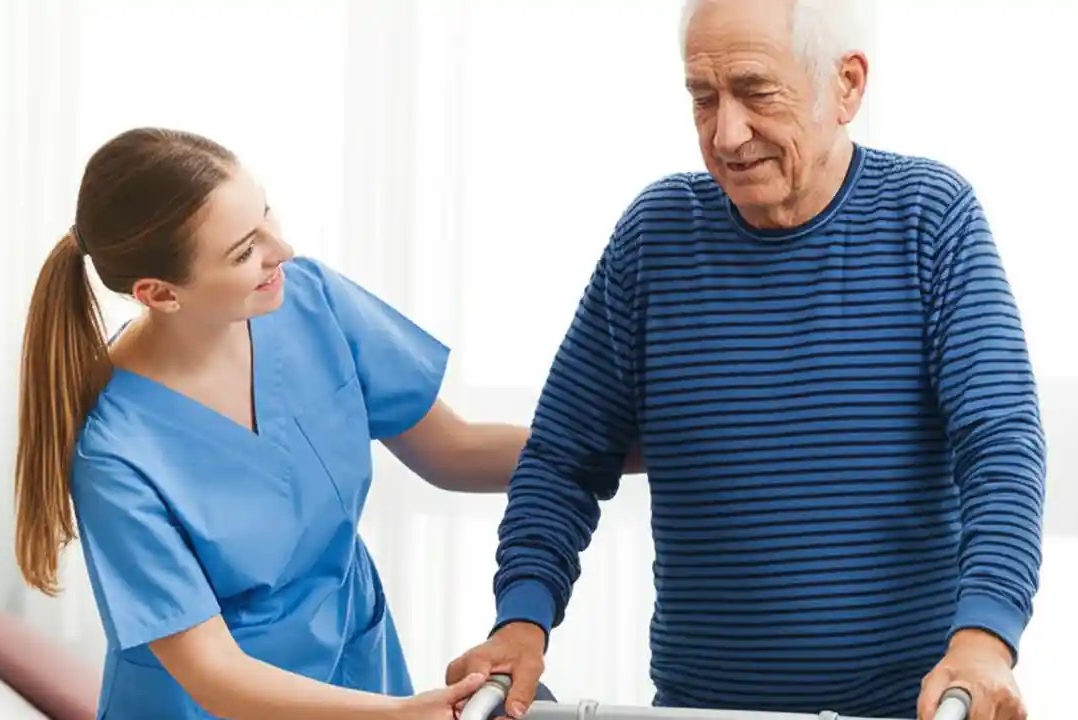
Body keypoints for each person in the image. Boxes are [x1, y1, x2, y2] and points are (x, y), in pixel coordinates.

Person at [445, 1, 1045, 719]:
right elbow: (565, 459)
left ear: (846, 86)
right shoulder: (655, 236)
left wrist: (985, 639)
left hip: (900, 706)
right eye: (704, 98)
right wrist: (521, 619)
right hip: (700, 705)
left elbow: (1001, 448)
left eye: (757, 93)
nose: (726, 134)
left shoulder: (929, 217)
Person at [12, 127, 526, 719]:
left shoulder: (310, 301)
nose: (280, 248)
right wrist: (399, 715)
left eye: (265, 215)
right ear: (159, 294)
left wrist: (643, 448)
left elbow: (452, 451)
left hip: (356, 667)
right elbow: (212, 672)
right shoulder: (115, 452)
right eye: (243, 250)